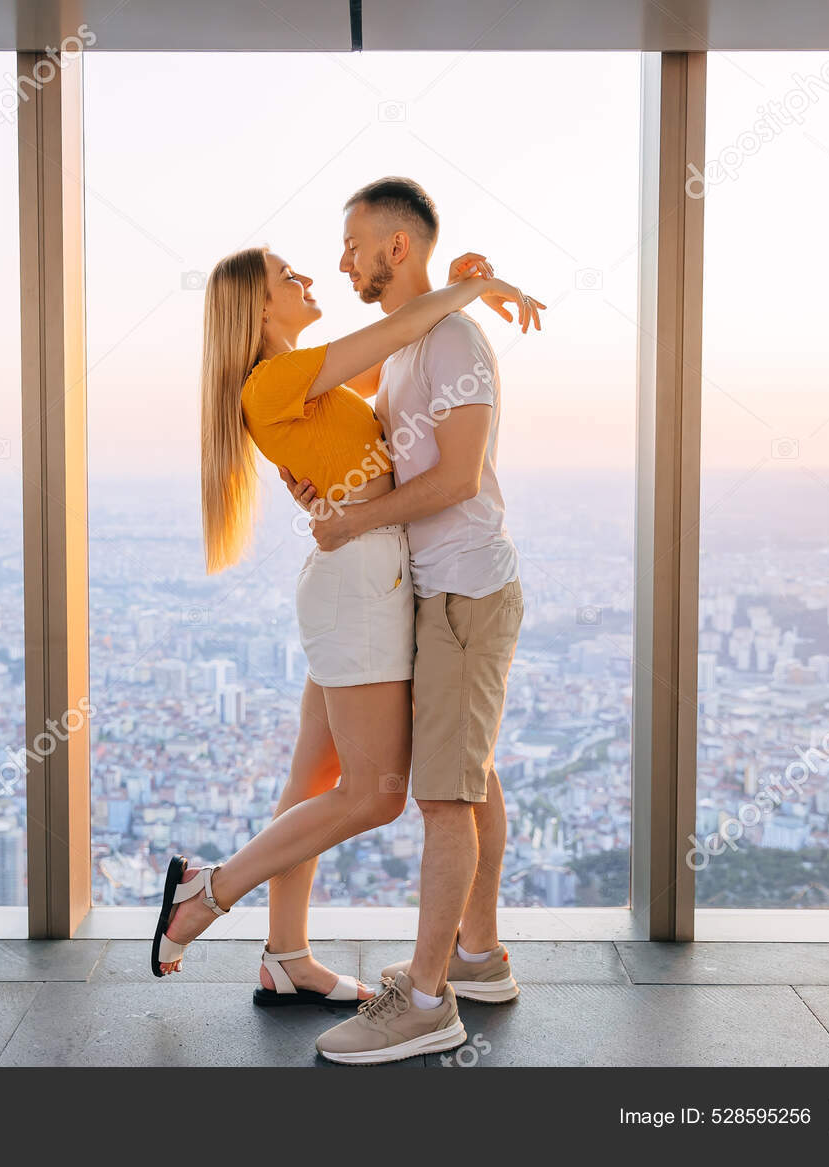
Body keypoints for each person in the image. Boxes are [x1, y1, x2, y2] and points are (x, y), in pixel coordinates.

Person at [151, 235, 541, 1016]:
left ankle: (287, 957)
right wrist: (479, 285)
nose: (306, 278)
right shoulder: (280, 377)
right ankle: (207, 892)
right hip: (360, 584)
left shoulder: (300, 379)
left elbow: (403, 352)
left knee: (315, 779)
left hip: (359, 578)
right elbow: (397, 334)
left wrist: (456, 286)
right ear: (258, 310)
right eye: (286, 278)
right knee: (374, 794)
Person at [288, 178, 529, 1063]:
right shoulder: (406, 348)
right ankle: (476, 958)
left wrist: (355, 520)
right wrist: (330, 486)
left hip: (465, 590)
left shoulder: (454, 338)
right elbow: (397, 463)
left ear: (397, 247)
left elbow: (460, 477)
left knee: (443, 797)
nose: (341, 259)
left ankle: (427, 1002)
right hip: (440, 589)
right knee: (472, 775)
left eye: (352, 243)